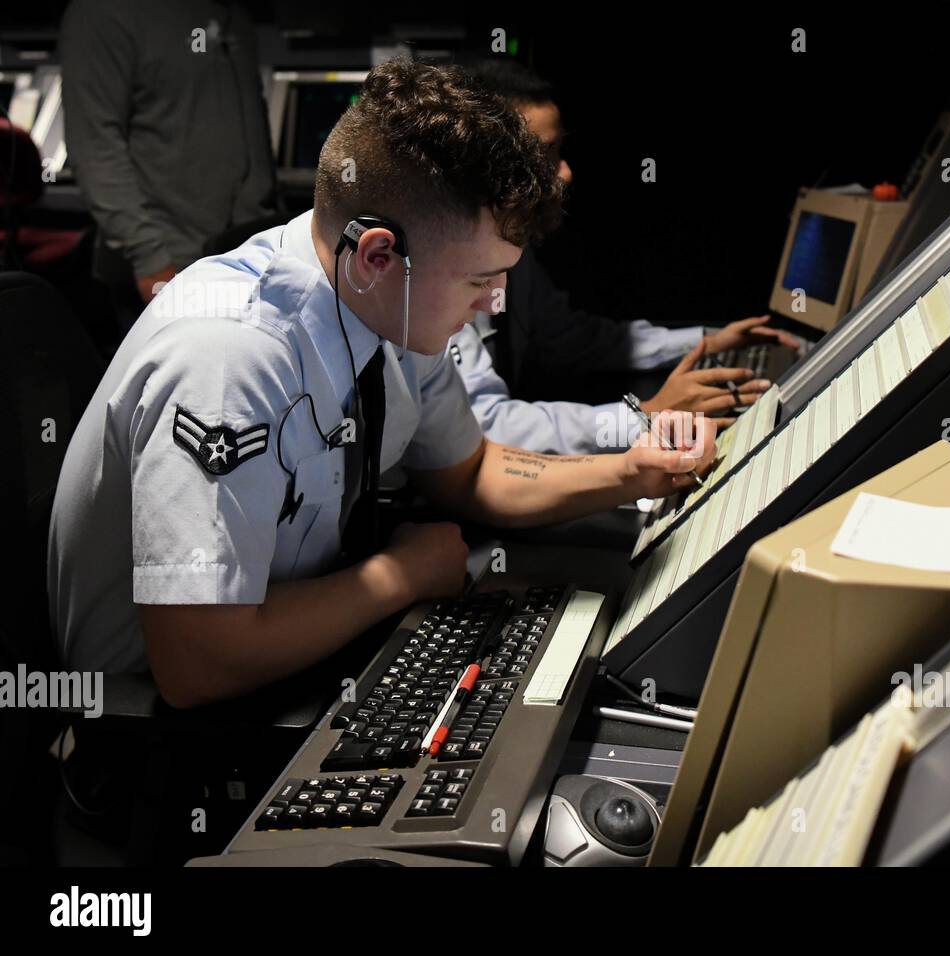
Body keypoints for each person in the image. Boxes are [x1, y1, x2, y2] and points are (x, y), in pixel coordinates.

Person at [47, 60, 715, 709]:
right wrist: (398, 577)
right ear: (376, 256)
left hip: (300, 652)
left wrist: (627, 473)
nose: (494, 303)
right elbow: (199, 662)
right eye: (480, 280)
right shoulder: (227, 358)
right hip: (161, 737)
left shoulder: (388, 307)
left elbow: (475, 470)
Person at [447, 59, 802, 455]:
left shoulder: (512, 249)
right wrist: (643, 416)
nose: (564, 173)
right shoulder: (440, 269)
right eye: (545, 154)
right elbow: (485, 426)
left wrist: (705, 341)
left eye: (560, 150)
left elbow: (568, 339)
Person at [60, 0, 277, 319]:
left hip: (252, 254)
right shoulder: (101, 12)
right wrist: (150, 260)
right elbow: (95, 147)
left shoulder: (233, 14)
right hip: (170, 265)